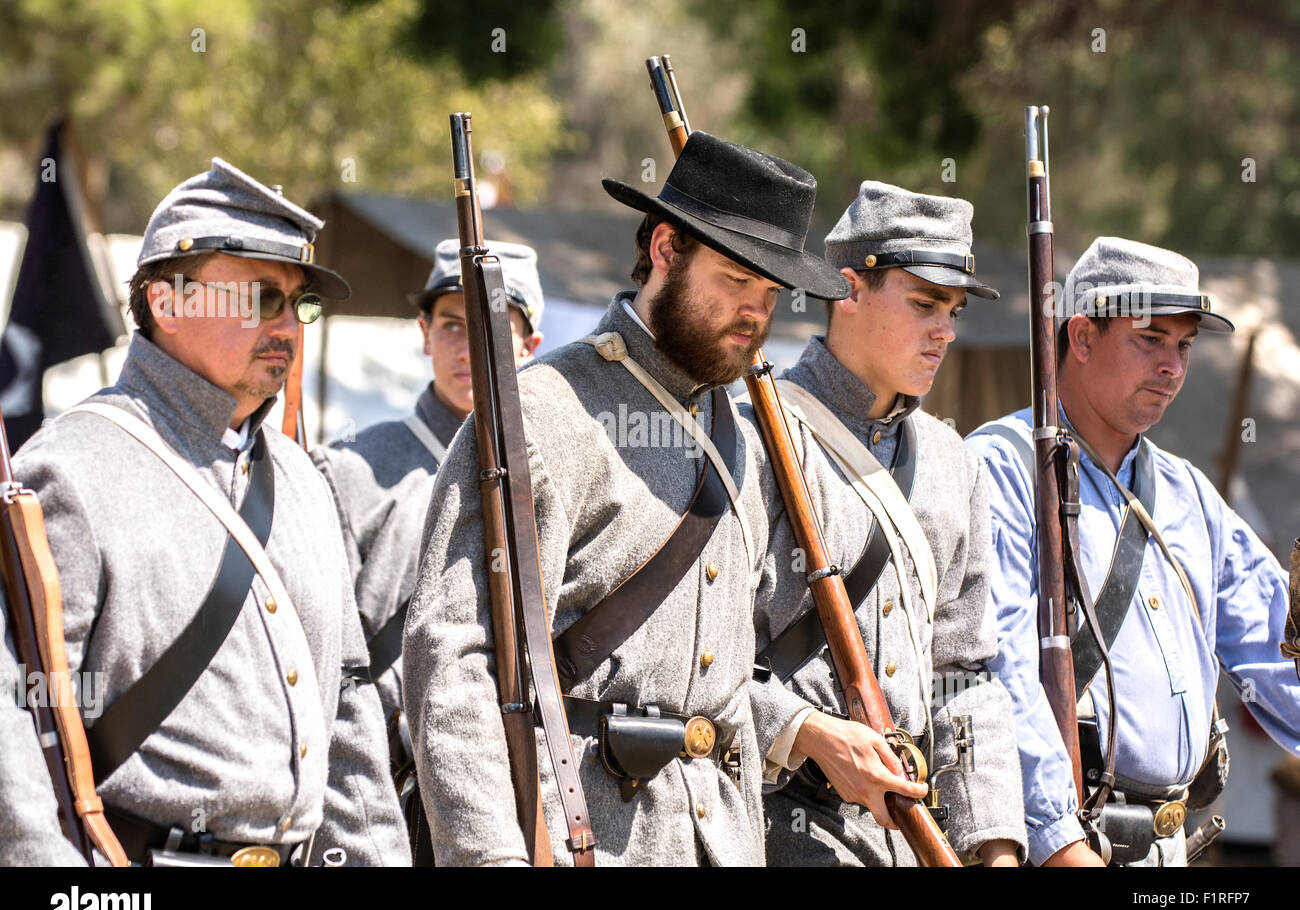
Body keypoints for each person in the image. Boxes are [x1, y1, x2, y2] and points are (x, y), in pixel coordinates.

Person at [402, 131, 849, 865]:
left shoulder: (743, 435)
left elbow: (739, 677)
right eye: (737, 281)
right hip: (582, 840)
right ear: (667, 248)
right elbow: (455, 661)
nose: (755, 314)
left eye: (770, 293)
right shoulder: (541, 414)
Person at [0, 158, 409, 866]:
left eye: (297, 302)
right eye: (260, 298)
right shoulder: (71, 469)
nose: (287, 323)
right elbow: (14, 727)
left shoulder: (303, 485)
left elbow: (346, 716)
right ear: (166, 303)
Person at [967, 236, 1300, 866]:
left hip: (1171, 844)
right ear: (1084, 337)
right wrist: (1057, 836)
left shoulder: (1189, 495)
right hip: (1060, 843)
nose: (1172, 366)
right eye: (1150, 340)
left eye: (1184, 346)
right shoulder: (1002, 468)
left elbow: (1275, 648)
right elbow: (998, 670)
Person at [751, 182, 1026, 866]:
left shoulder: (950, 461)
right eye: (926, 304)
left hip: (906, 841)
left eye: (954, 310)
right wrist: (805, 730)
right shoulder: (754, 436)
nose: (947, 331)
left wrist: (992, 842)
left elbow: (962, 671)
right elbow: (693, 667)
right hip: (774, 828)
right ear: (850, 290)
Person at [311, 239, 543, 727]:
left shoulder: (557, 474)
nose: (469, 349)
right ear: (424, 332)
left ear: (529, 346)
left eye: (493, 327)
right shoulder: (350, 469)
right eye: (452, 326)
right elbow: (326, 652)